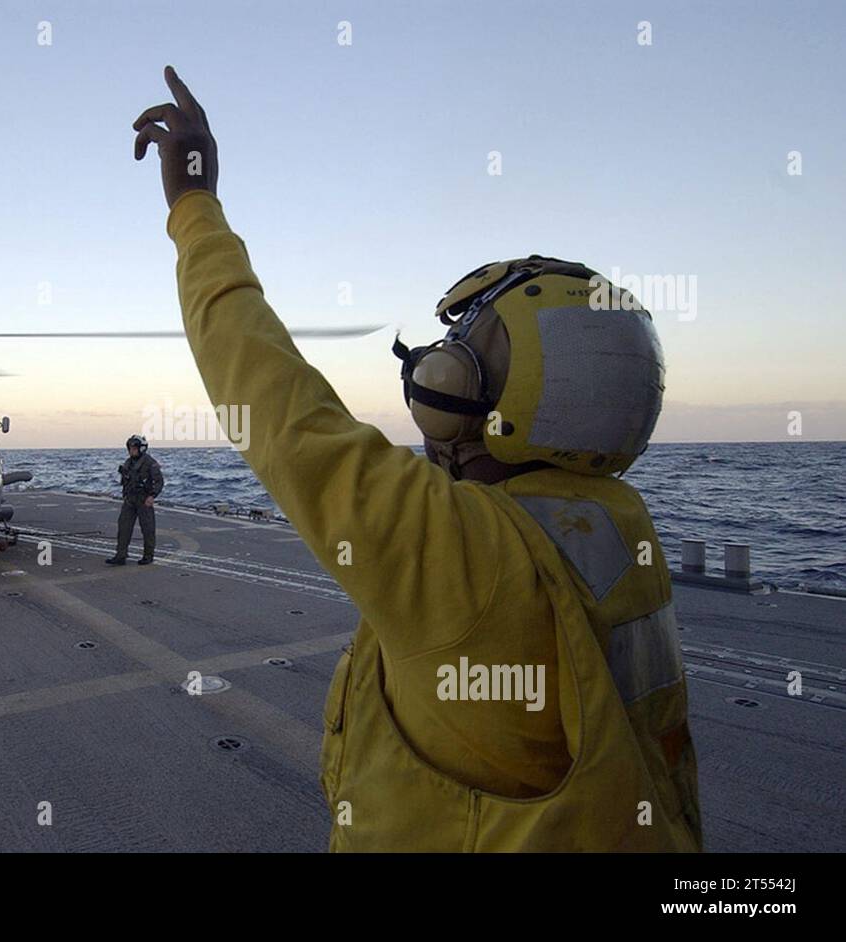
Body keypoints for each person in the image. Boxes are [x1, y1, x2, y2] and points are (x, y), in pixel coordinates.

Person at [133, 67, 701, 852]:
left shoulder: (468, 555)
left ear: (464, 390)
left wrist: (193, 207)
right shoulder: (616, 524)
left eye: (459, 357)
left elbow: (271, 398)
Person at [106, 434, 164, 565]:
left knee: (148, 528)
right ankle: (121, 555)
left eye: (134, 447)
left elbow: (159, 481)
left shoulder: (150, 463)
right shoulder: (128, 462)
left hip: (144, 499)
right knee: (124, 527)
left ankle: (148, 556)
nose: (131, 450)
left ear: (141, 448)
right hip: (130, 499)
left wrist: (152, 496)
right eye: (130, 447)